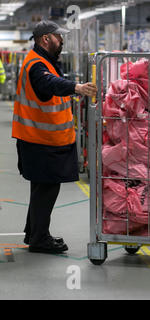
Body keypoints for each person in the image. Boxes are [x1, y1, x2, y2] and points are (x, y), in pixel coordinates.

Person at [11, 21, 97, 254]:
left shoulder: (43, 60)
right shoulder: (37, 65)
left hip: (41, 138)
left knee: (41, 188)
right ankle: (40, 239)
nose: (62, 41)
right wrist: (76, 87)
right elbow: (48, 83)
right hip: (41, 139)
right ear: (46, 39)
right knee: (46, 188)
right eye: (59, 37)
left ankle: (34, 233)